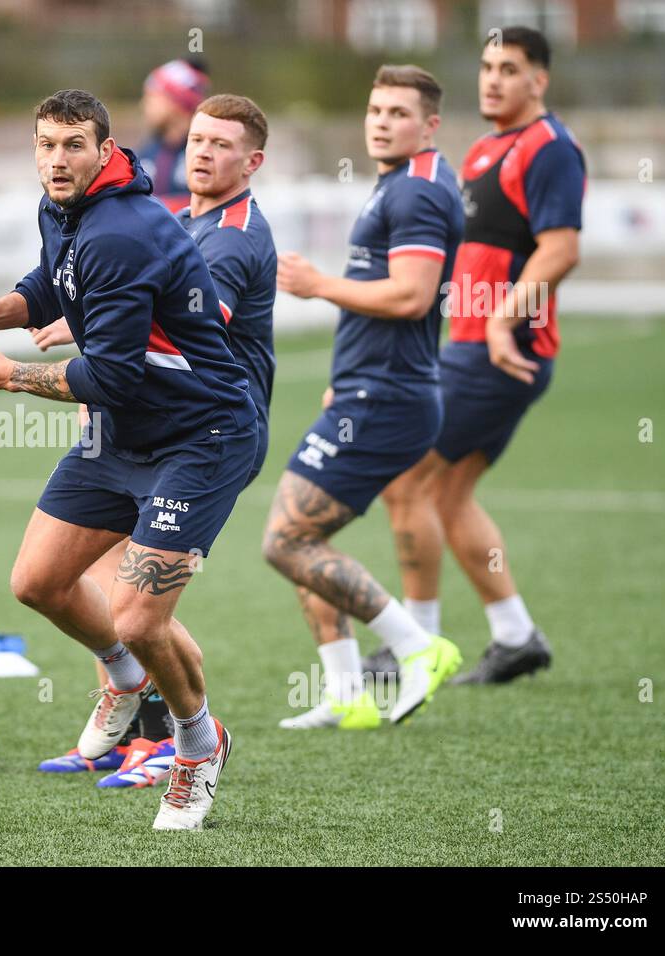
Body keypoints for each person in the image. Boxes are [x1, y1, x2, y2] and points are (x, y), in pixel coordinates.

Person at [0, 89, 257, 830]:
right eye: (45, 144)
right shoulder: (63, 209)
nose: (56, 159)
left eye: (73, 144)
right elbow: (52, 284)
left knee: (140, 614)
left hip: (201, 436)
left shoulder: (123, 232)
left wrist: (1, 372)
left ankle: (199, 746)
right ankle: (123, 677)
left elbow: (110, 375)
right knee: (38, 582)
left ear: (106, 151)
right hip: (124, 434)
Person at [32, 93, 276, 789]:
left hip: (200, 431)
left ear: (252, 161)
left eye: (222, 144)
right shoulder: (172, 217)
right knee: (57, 584)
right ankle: (132, 714)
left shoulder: (229, 237)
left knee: (134, 606)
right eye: (196, 137)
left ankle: (174, 744)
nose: (201, 152)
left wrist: (88, 345)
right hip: (132, 420)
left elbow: (194, 322)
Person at [366, 26, 584, 685]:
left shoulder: (549, 147)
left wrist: (500, 320)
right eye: (487, 66)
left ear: (538, 81)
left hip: (500, 352)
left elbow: (561, 249)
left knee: (407, 477)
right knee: (448, 491)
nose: (492, 79)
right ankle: (516, 637)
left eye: (509, 68)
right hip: (469, 346)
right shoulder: (488, 149)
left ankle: (417, 643)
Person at [268, 66, 465, 729]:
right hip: (367, 388)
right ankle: (348, 695)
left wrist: (318, 285)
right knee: (304, 537)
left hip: (386, 399)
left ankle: (419, 647)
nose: (381, 121)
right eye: (375, 109)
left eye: (398, 113)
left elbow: (411, 295)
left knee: (288, 540)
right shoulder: (402, 184)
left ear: (429, 125)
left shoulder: (415, 192)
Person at [135, 58, 211, 212]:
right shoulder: (148, 152)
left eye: (151, 97)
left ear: (175, 102)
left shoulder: (205, 154)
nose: (143, 105)